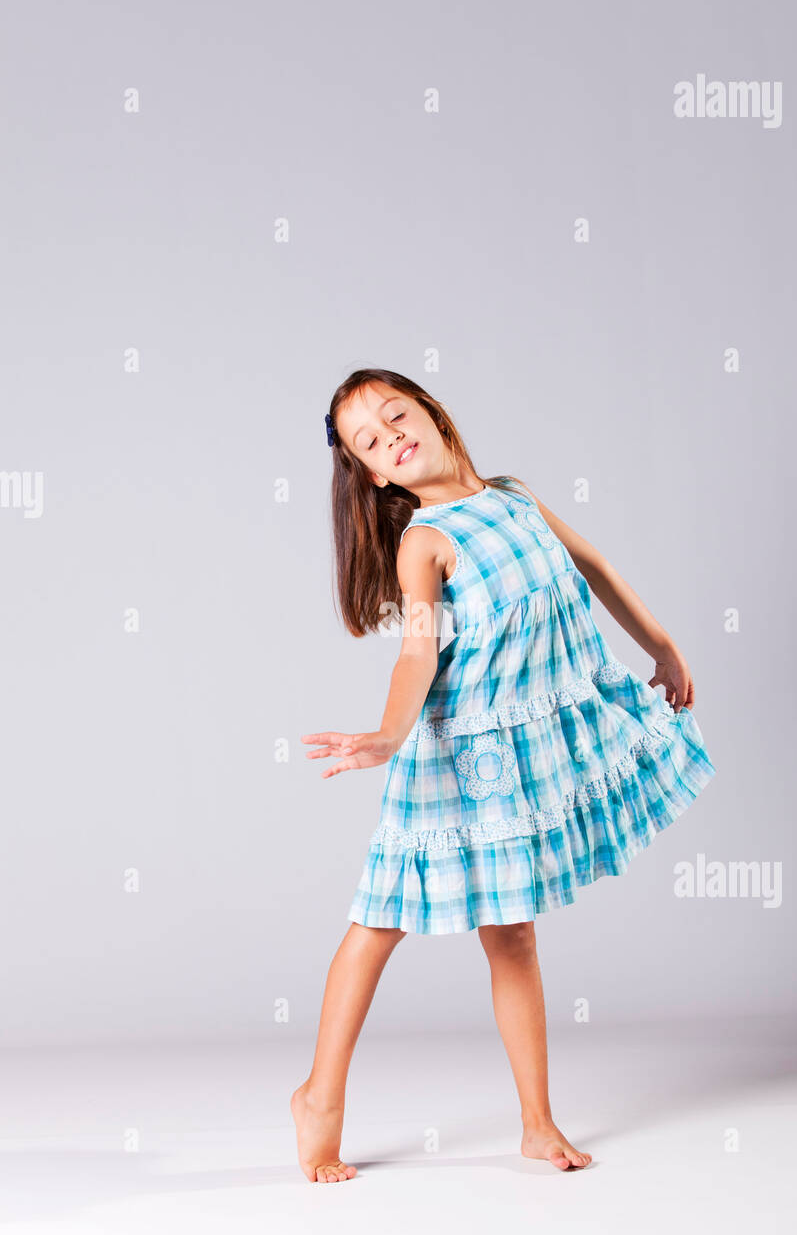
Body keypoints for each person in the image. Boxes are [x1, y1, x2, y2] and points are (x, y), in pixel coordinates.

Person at [291, 369, 715, 1183]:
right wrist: (384, 736)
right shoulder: (424, 541)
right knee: (380, 922)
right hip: (456, 752)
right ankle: (320, 1097)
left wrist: (660, 645)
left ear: (432, 413)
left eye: (396, 416)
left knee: (513, 931)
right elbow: (418, 649)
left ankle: (536, 1122)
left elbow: (590, 564)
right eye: (370, 444)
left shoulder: (514, 494)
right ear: (374, 474)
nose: (392, 438)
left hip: (527, 749)